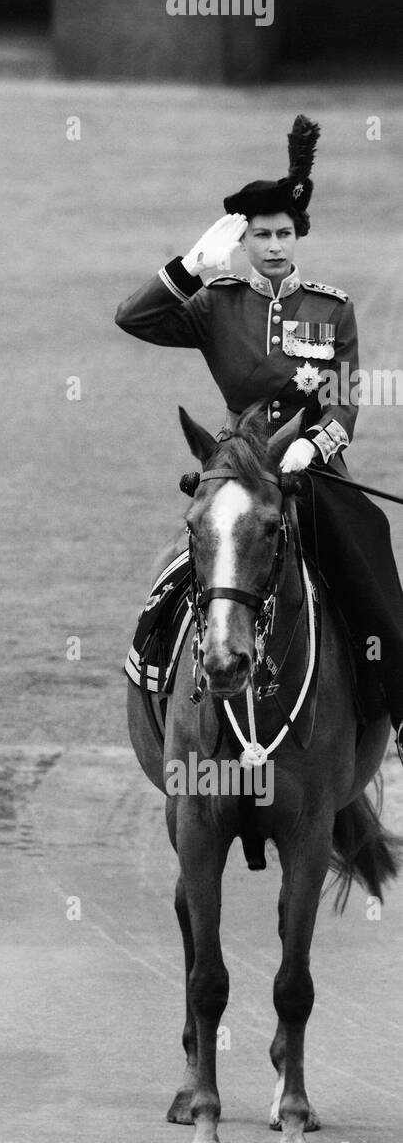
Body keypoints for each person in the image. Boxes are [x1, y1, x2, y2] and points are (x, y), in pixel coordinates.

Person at [116, 114, 403, 758]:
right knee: (185, 572)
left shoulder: (332, 309)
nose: (274, 245)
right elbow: (132, 317)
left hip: (308, 469)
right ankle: (155, 675)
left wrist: (316, 443)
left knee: (371, 557)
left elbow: (343, 398)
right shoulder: (217, 302)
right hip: (238, 466)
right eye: (261, 235)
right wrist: (188, 268)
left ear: (298, 237)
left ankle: (397, 704)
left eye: (284, 233)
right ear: (242, 243)